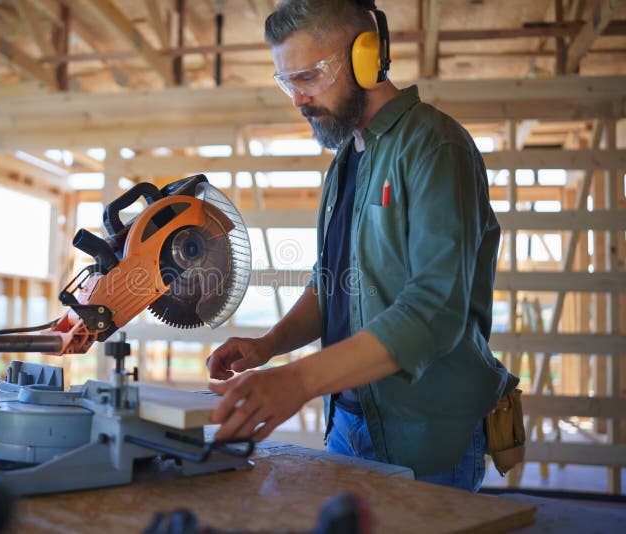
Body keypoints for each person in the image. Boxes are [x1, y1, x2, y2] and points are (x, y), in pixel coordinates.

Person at [206, 0, 518, 492]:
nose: (297, 99)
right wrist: (270, 346)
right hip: (348, 423)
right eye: (287, 82)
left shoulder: (435, 146)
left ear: (366, 58)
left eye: (307, 76)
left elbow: (434, 309)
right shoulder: (344, 164)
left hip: (425, 433)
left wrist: (299, 380)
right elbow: (329, 283)